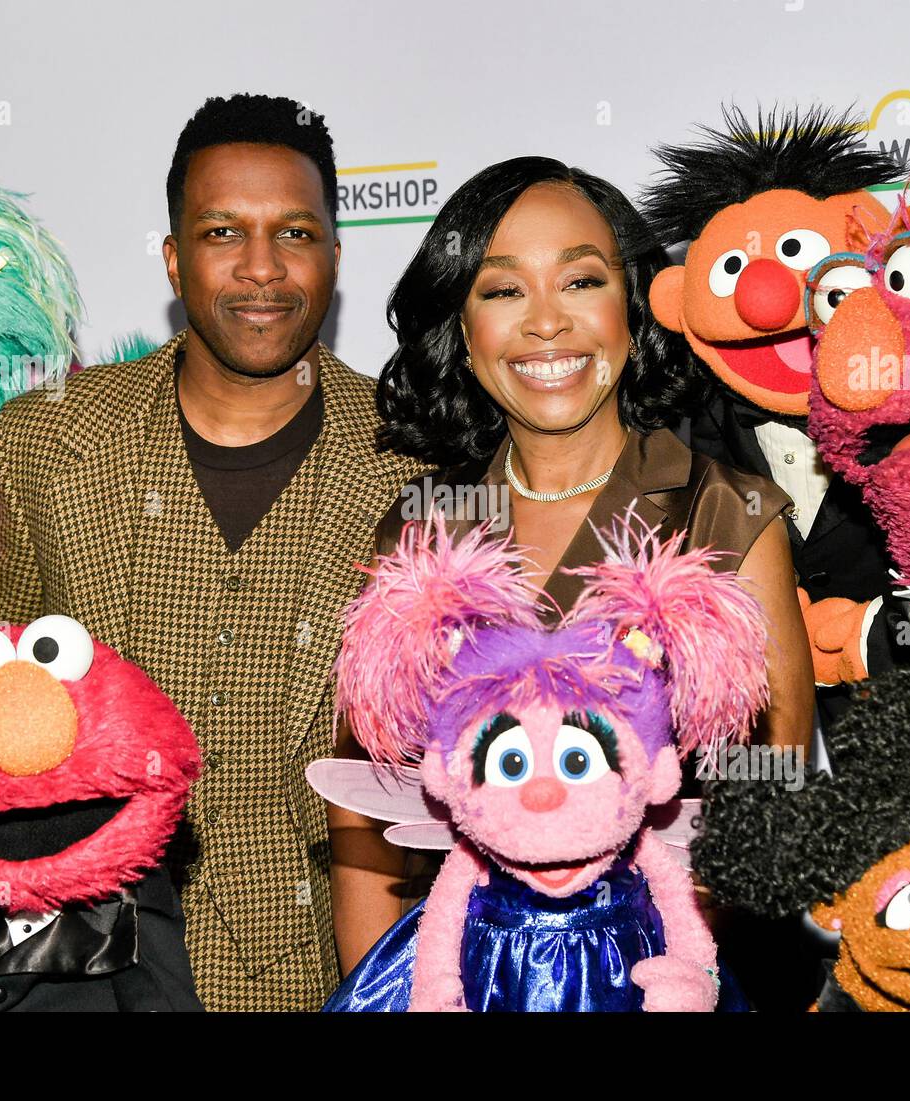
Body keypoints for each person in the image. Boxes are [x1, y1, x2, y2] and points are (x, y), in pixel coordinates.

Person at [0, 93, 423, 1010]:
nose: (263, 269)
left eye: (297, 234)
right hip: (94, 964)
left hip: (342, 963)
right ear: (173, 257)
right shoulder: (58, 438)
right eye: (224, 232)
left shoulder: (417, 460)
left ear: (337, 258)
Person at [329, 157, 814, 979]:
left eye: (581, 282)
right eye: (503, 290)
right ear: (462, 326)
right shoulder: (425, 528)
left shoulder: (727, 512)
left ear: (633, 304)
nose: (546, 323)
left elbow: (769, 792)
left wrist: (629, 974)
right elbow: (363, 809)